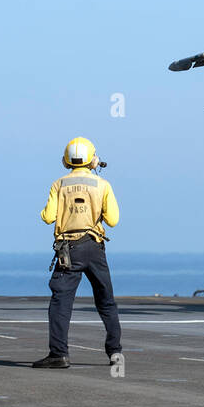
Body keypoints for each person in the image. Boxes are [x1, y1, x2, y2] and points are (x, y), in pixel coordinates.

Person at [34, 137, 122, 369]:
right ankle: (115, 353)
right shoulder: (102, 185)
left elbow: (48, 217)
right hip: (94, 247)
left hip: (68, 251)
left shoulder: (58, 184)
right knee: (106, 301)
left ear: (66, 161)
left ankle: (59, 354)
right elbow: (113, 220)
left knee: (61, 302)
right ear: (93, 159)